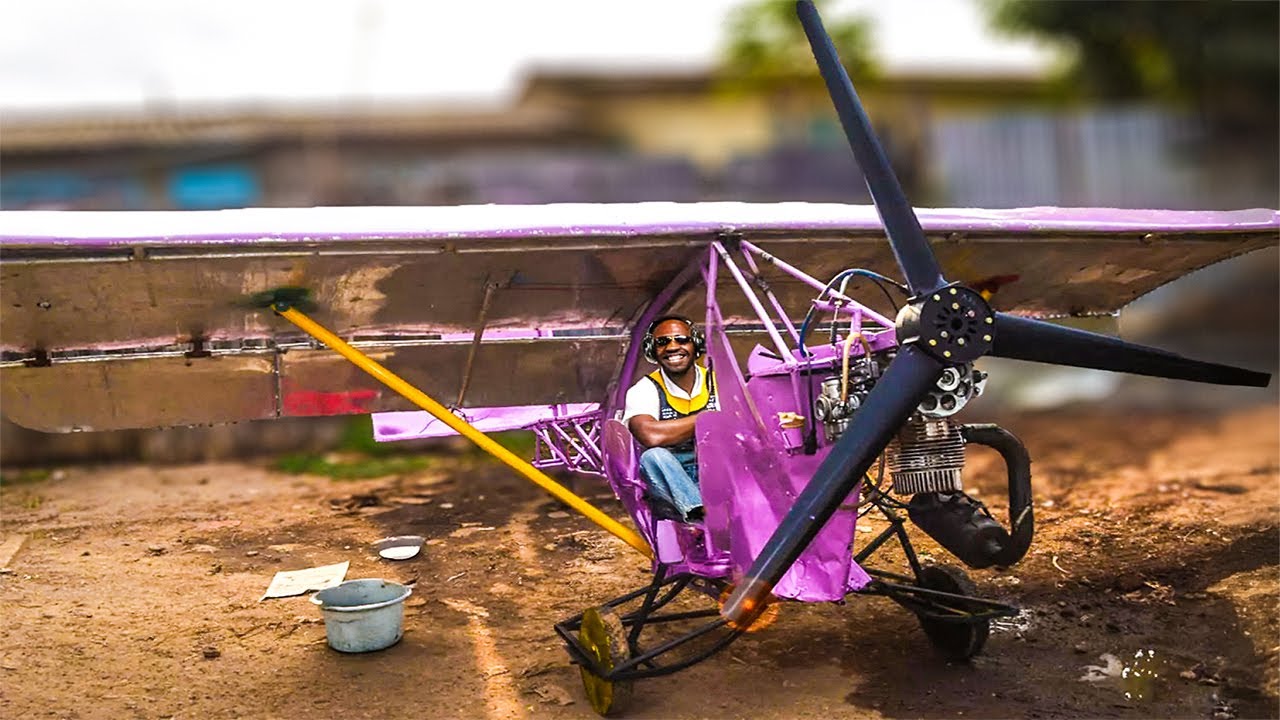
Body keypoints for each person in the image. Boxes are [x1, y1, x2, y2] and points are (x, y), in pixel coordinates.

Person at [622, 315, 719, 523]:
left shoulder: (719, 381)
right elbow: (650, 435)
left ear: (696, 345)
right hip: (671, 485)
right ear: (652, 351)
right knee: (653, 457)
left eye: (681, 340)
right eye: (662, 342)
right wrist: (711, 418)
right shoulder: (643, 390)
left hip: (717, 474)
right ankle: (700, 516)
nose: (672, 347)